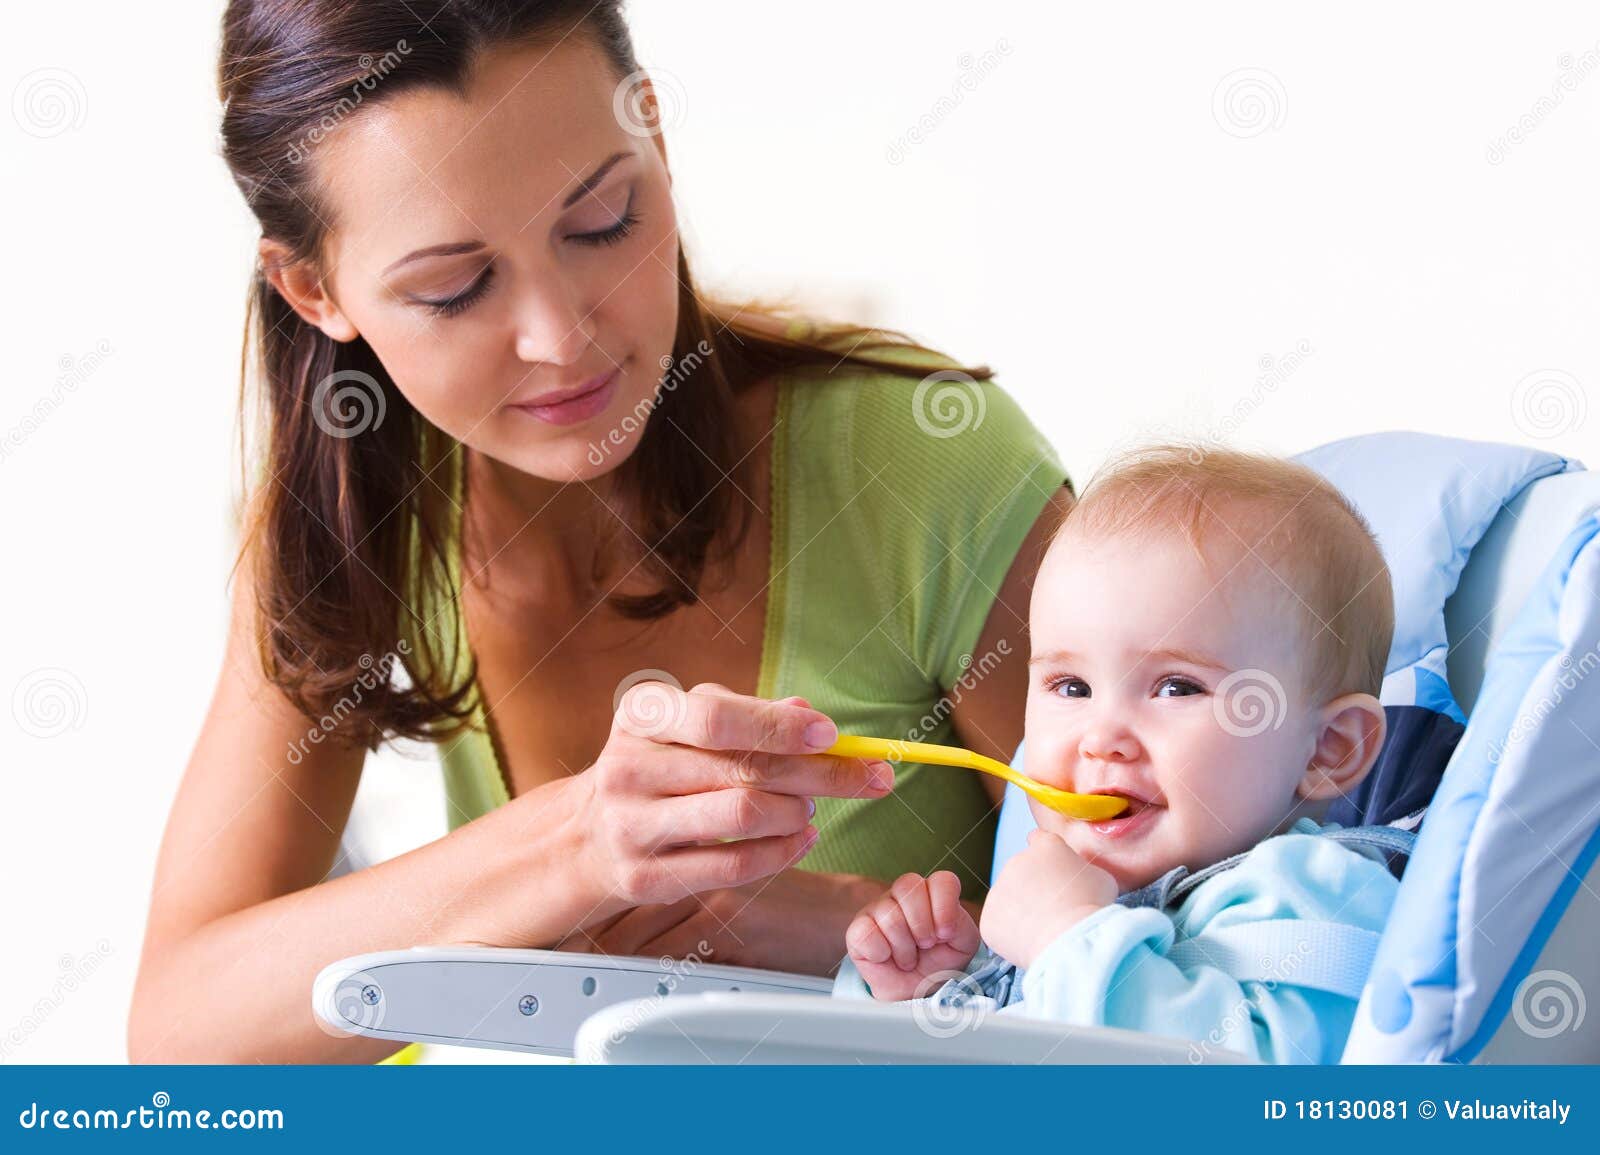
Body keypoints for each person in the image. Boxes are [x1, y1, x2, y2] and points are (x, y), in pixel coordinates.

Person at [128, 0, 1070, 1062]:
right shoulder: (358, 522)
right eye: (455, 287)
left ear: (654, 132)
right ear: (312, 288)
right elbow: (183, 1034)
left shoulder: (917, 465)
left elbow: (1213, 962)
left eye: (602, 223)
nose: (561, 336)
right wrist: (574, 852)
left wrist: (846, 931)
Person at [845, 446, 1405, 1063]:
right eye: (1072, 688)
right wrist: (930, 997)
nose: (1101, 736)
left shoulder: (1320, 896)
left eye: (1177, 687)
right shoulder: (1065, 902)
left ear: (1328, 750)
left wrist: (1066, 938)